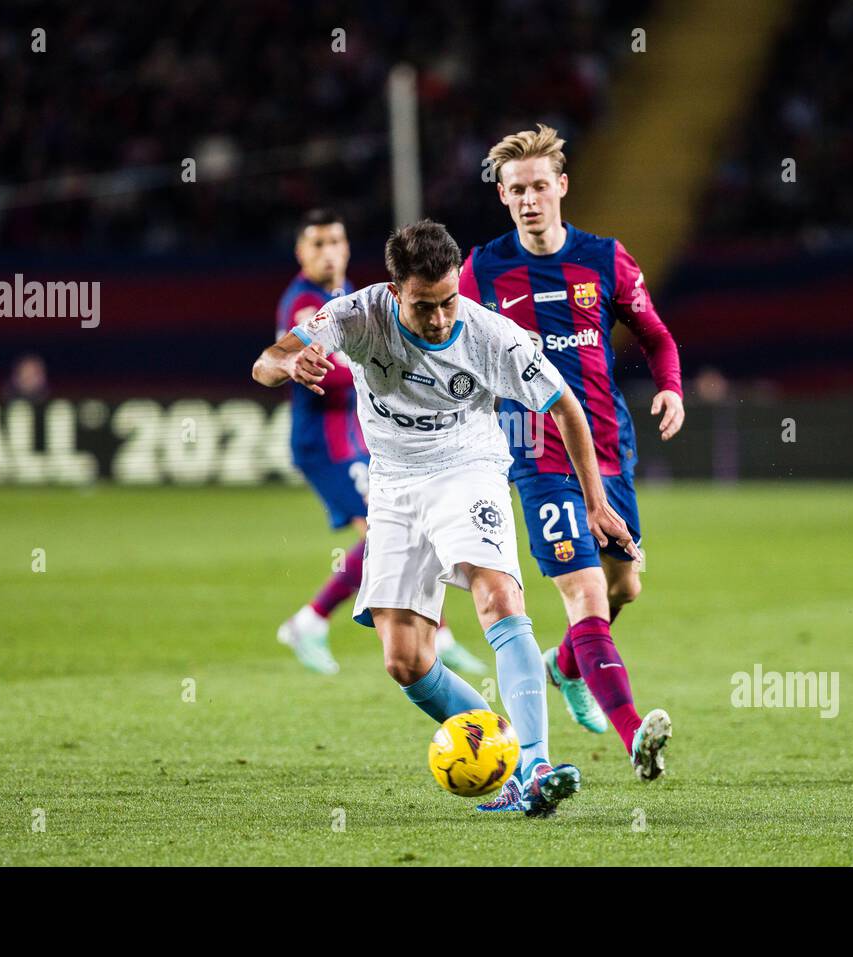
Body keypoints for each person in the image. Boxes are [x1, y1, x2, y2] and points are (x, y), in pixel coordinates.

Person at [253, 220, 638, 815]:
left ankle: (535, 764)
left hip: (469, 467)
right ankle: (503, 762)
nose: (438, 318)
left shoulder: (492, 334)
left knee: (498, 599)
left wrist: (594, 502)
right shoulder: (355, 316)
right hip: (393, 484)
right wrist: (288, 366)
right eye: (423, 306)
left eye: (448, 300)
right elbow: (269, 358)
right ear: (393, 290)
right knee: (405, 659)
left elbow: (566, 406)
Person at [460, 124, 683, 780]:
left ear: (561, 186)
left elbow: (657, 335)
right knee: (585, 595)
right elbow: (452, 345)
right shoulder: (484, 269)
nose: (529, 199)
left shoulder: (606, 260)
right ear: (502, 195)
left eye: (538, 187)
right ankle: (634, 734)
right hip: (534, 453)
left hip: (610, 447)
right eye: (515, 190)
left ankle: (566, 665)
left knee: (625, 587)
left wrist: (669, 388)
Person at [273, 209, 484, 676]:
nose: (328, 252)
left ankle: (439, 635)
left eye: (335, 241)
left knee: (406, 527)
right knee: (385, 532)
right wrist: (379, 371)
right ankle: (310, 620)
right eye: (318, 244)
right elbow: (321, 373)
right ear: (301, 253)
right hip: (324, 443)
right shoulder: (305, 304)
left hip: (353, 439)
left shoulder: (343, 297)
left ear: (347, 246)